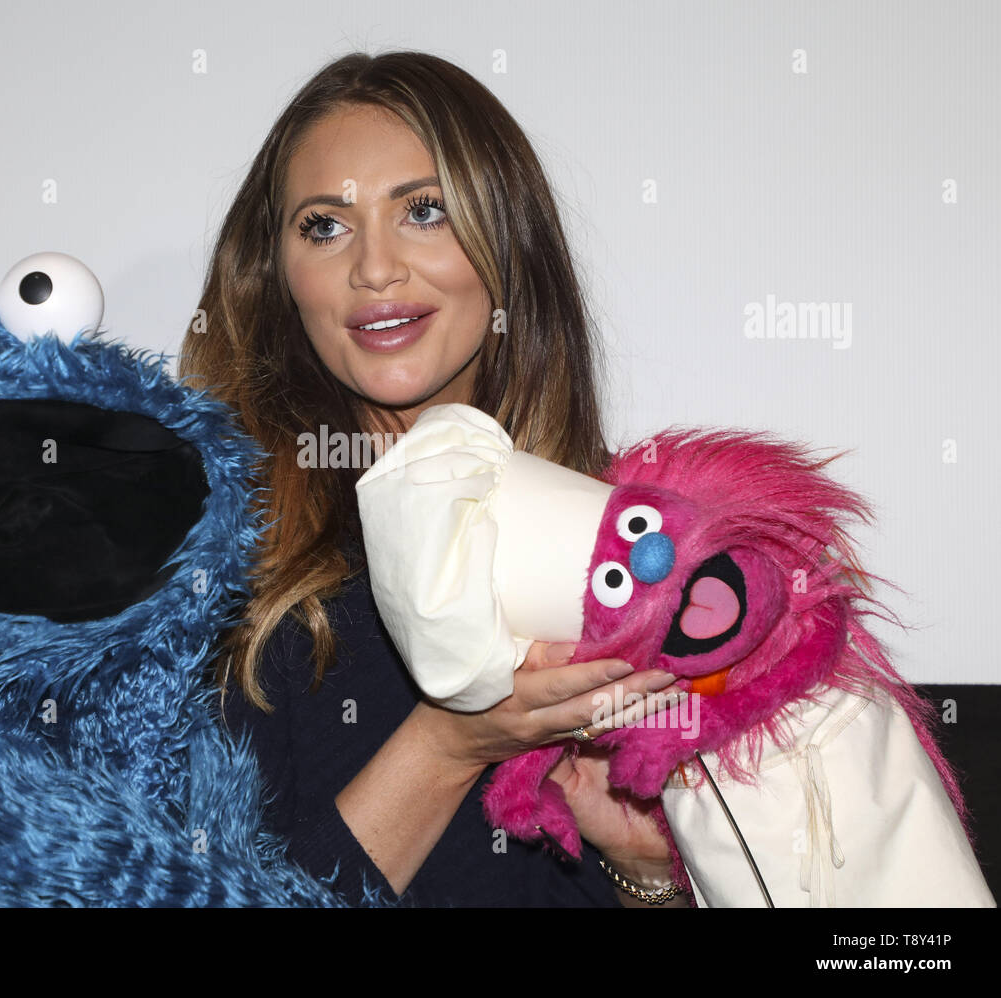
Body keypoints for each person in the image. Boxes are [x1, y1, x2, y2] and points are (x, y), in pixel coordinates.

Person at [178, 50, 687, 907]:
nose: (375, 269)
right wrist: (450, 744)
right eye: (324, 226)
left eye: (424, 211)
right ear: (276, 282)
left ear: (507, 247)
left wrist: (646, 872)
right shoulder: (211, 573)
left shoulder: (640, 550)